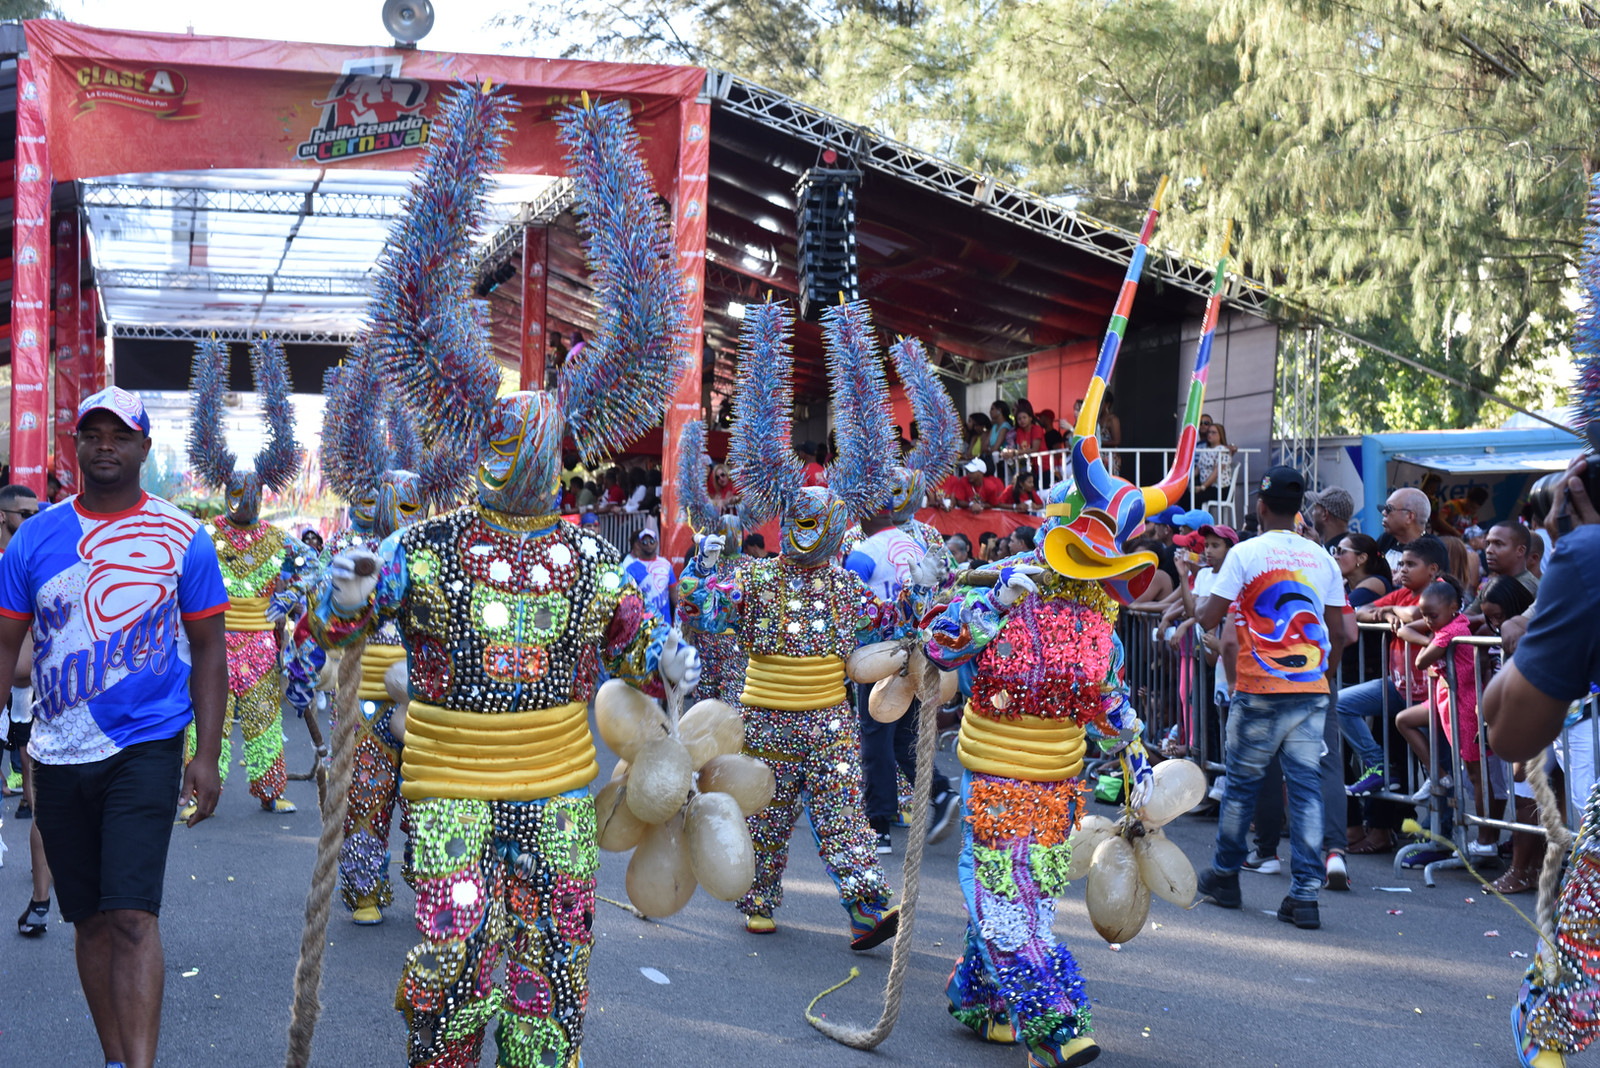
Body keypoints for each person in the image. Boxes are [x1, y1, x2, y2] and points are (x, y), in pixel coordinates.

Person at [314, 89, 702, 1067]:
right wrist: (351, 591)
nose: (509, 453)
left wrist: (670, 653)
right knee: (450, 948)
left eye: (528, 438)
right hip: (448, 782)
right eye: (495, 437)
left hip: (558, 790)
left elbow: (637, 645)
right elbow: (334, 626)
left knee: (554, 954)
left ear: (559, 450)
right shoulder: (428, 547)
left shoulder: (587, 558)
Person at [0, 387, 229, 1068]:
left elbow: (210, 648)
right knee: (90, 920)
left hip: (146, 744)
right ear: (73, 445)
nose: (105, 446)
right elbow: (5, 644)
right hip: (58, 749)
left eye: (119, 436)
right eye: (92, 434)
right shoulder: (35, 540)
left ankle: (140, 1064)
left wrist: (208, 754)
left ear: (143, 449)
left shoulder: (184, 536)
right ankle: (114, 1056)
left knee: (131, 915)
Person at [1478, 455, 1600, 1068]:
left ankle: (1547, 1031)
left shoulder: (1586, 557)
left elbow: (1510, 732)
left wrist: (1564, 564)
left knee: (1583, 945)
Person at [1195, 465, 1346, 930]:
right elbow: (1340, 631)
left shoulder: (1245, 553)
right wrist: (1325, 674)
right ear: (1300, 509)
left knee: (1241, 785)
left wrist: (1196, 592)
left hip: (1259, 688)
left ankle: (1225, 875)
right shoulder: (1324, 559)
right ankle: (1304, 896)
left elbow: (1208, 617)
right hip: (1310, 690)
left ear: (1260, 507)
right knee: (1304, 790)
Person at [183, 335, 302, 815]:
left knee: (264, 720)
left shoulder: (280, 541)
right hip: (213, 641)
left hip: (260, 645)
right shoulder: (204, 536)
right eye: (236, 490)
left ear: (264, 495)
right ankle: (195, 793)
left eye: (251, 492)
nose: (244, 499)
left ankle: (271, 790)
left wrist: (290, 602)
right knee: (202, 721)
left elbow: (304, 578)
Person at [843, 510, 957, 854]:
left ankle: (878, 826)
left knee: (876, 735)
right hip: (917, 653)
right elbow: (945, 588)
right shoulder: (917, 543)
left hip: (878, 656)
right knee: (905, 736)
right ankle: (939, 790)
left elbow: (849, 604)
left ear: (866, 514)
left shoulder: (863, 551)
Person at [1391, 577, 1501, 851]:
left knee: (1477, 775)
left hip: (1465, 704)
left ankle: (1486, 839)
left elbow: (1420, 660)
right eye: (1424, 614)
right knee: (1404, 720)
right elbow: (1405, 631)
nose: (1428, 620)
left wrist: (1432, 640)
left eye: (1433, 615)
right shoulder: (1445, 627)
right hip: (1444, 699)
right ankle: (1439, 775)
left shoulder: (1451, 630)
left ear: (1454, 607)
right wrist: (1428, 634)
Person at [1339, 537, 1448, 803]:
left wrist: (1389, 609)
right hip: (1398, 686)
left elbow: (1421, 614)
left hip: (1431, 694)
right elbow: (1359, 611)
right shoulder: (1401, 592)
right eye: (1401, 564)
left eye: (1410, 564)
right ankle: (1380, 767)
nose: (1401, 571)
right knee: (1340, 704)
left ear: (1433, 569)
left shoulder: (1443, 590)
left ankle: (1441, 835)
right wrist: (1388, 615)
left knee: (1438, 767)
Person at [1466, 522, 1539, 619]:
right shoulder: (1493, 583)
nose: (1488, 550)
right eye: (1488, 543)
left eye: (1498, 544)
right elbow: (1465, 618)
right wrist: (1482, 619)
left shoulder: (1528, 586)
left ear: (1520, 551)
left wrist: (1483, 620)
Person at [620, 527, 677, 625]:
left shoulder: (666, 565)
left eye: (651, 541)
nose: (649, 544)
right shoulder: (630, 568)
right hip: (642, 624)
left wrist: (680, 616)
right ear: (639, 544)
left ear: (657, 543)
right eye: (645, 542)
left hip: (664, 623)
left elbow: (674, 594)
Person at [1377, 486, 1430, 570]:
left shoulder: (1432, 549)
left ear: (1409, 516)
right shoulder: (1387, 539)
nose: (1383, 513)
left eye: (1389, 509)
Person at [1192, 421, 1233, 508]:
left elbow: (1216, 473)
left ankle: (1198, 521)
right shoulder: (1205, 449)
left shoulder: (1223, 451)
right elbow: (1197, 470)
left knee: (1196, 497)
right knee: (1187, 493)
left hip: (1220, 489)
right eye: (1209, 432)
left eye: (1213, 432)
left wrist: (1202, 487)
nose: (1210, 434)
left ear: (1220, 435)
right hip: (1208, 487)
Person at [940, 457, 1005, 512]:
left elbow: (994, 504)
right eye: (968, 471)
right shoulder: (963, 480)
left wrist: (981, 506)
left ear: (980, 473)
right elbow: (959, 501)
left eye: (972, 472)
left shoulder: (990, 486)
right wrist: (971, 504)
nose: (969, 474)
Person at [1311, 487, 1355, 552]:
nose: (1312, 513)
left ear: (1325, 514)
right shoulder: (1354, 546)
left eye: (1315, 508)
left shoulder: (1341, 553)